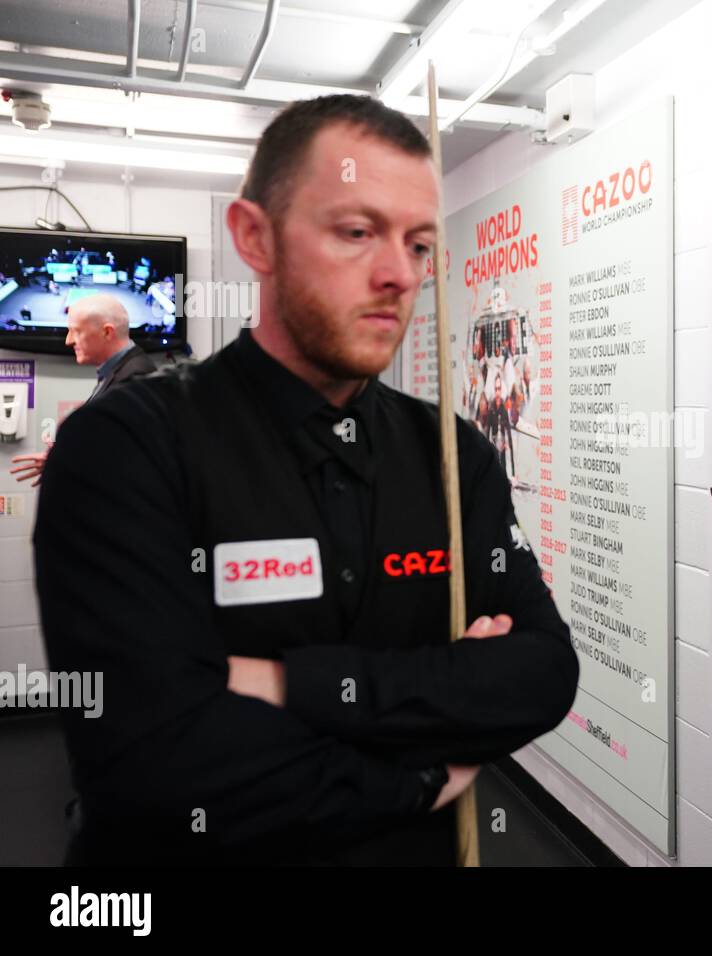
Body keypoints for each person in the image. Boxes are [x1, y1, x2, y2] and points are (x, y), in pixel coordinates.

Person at [33, 94, 579, 865]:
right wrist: (421, 772)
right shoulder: (127, 445)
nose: (399, 274)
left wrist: (284, 685)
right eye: (356, 232)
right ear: (255, 236)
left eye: (420, 245)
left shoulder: (451, 453)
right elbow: (152, 767)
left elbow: (543, 672)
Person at [8, 294, 154, 487]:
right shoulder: (119, 372)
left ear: (107, 332)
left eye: (76, 332)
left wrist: (65, 460)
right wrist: (65, 456)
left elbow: (125, 462)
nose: (68, 341)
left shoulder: (134, 379)